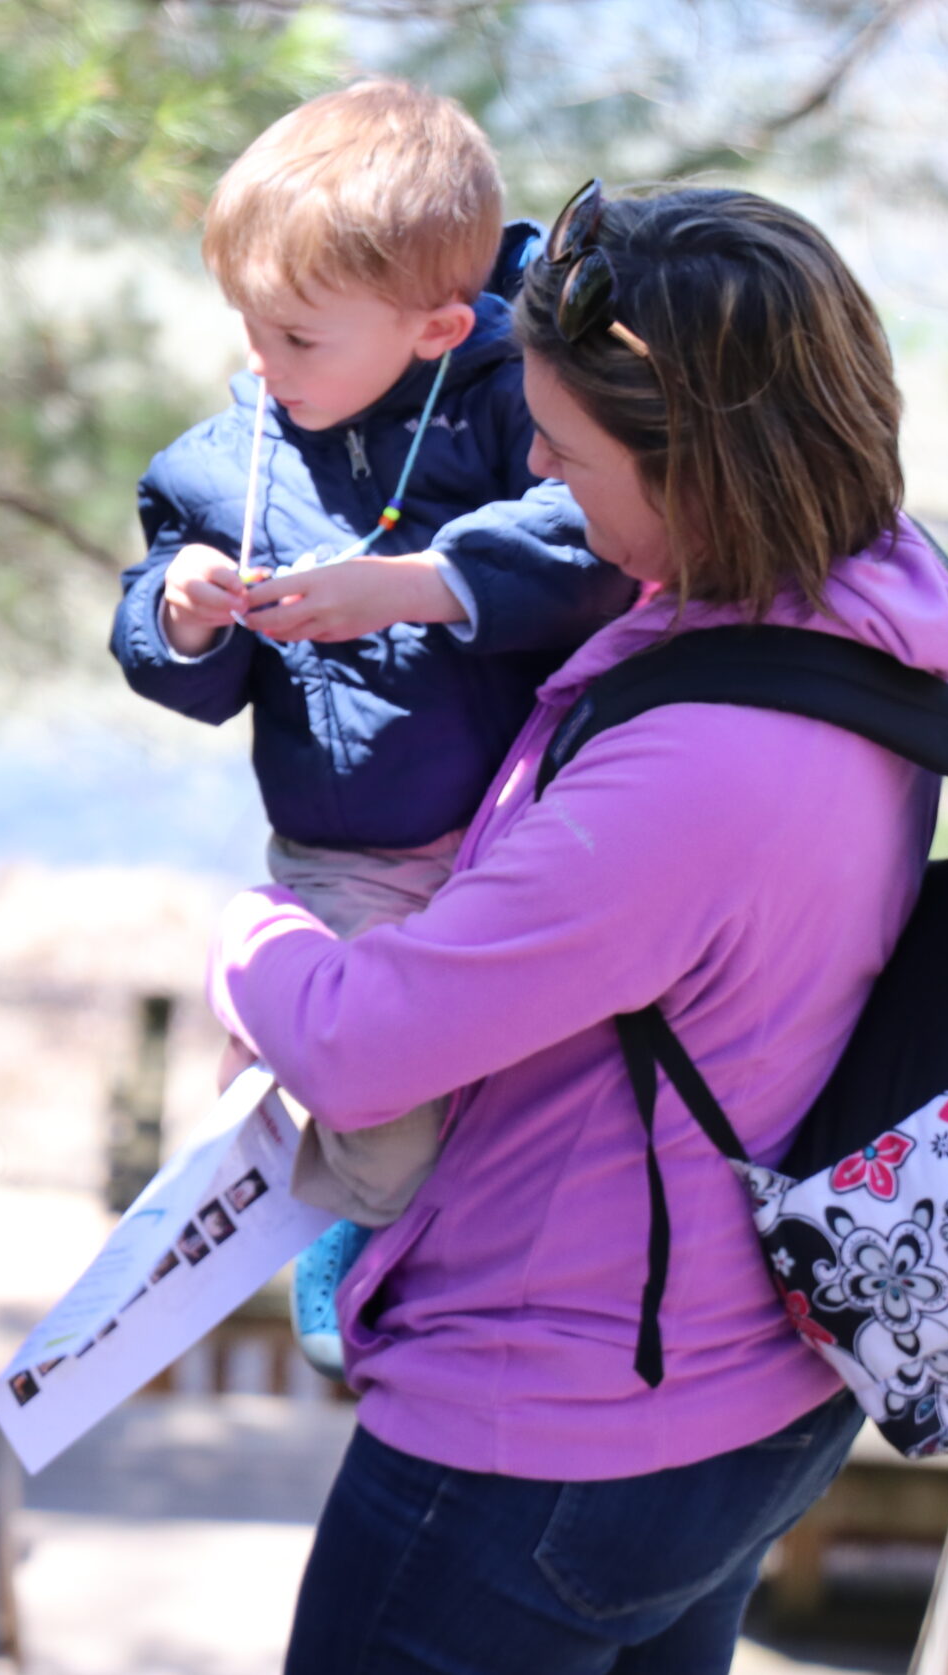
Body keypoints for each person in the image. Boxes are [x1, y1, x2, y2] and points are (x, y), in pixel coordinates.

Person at [205, 183, 948, 1673]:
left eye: (564, 448)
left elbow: (359, 1046)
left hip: (547, 1420)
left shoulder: (703, 773)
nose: (536, 474)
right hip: (745, 1383)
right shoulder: (882, 600)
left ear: (700, 472)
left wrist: (249, 926)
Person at [112, 76, 631, 1228]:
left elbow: (595, 541)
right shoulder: (223, 461)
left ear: (437, 327)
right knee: (389, 1159)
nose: (264, 360)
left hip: (521, 834)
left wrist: (416, 587)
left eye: (296, 335)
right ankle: (321, 1231)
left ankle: (309, 1128)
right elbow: (167, 642)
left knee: (517, 1114)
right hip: (340, 855)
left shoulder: (516, 404)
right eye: (247, 324)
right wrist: (181, 613)